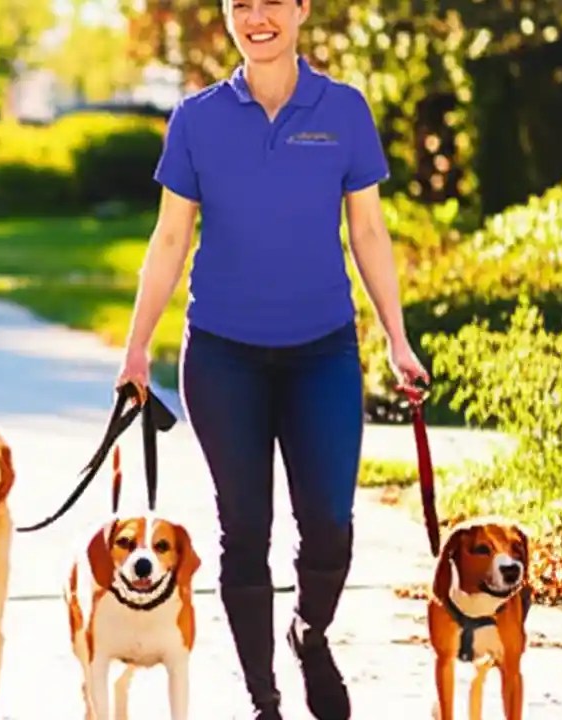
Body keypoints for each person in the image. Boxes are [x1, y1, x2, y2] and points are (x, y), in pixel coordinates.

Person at [114, 0, 431, 718]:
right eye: (241, 5)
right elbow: (169, 241)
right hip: (224, 355)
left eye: (272, 4)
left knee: (328, 523)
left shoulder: (343, 109)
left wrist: (397, 337)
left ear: (301, 10)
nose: (258, 19)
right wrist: (137, 348)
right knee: (244, 530)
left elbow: (370, 232)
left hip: (321, 349)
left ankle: (310, 632)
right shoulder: (196, 119)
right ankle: (264, 701)